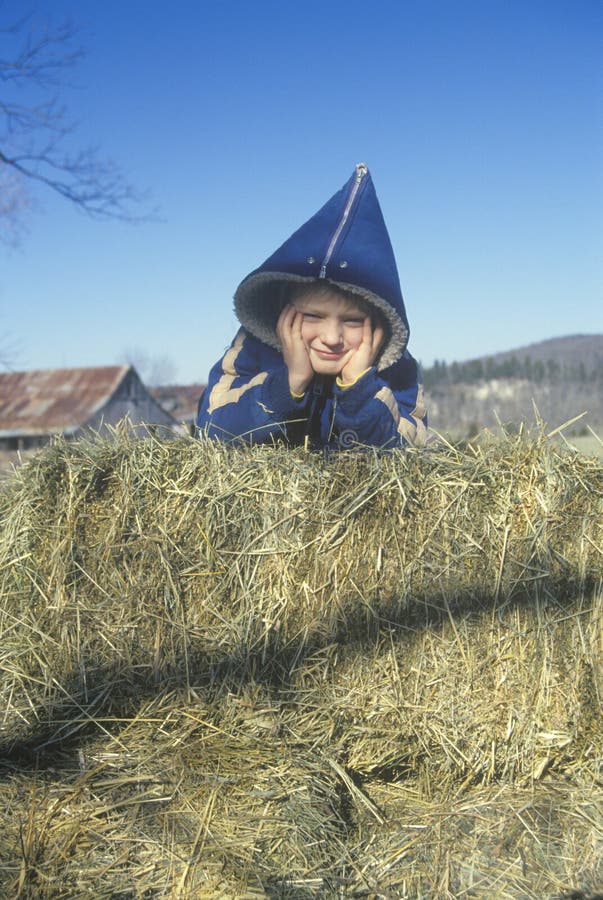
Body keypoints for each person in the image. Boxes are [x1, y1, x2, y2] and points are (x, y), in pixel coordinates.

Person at [197, 163, 428, 450]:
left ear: (380, 319)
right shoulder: (253, 348)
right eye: (312, 316)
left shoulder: (398, 368)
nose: (331, 338)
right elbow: (210, 428)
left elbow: (417, 450)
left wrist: (359, 390)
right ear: (284, 311)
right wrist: (289, 383)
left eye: (353, 321)